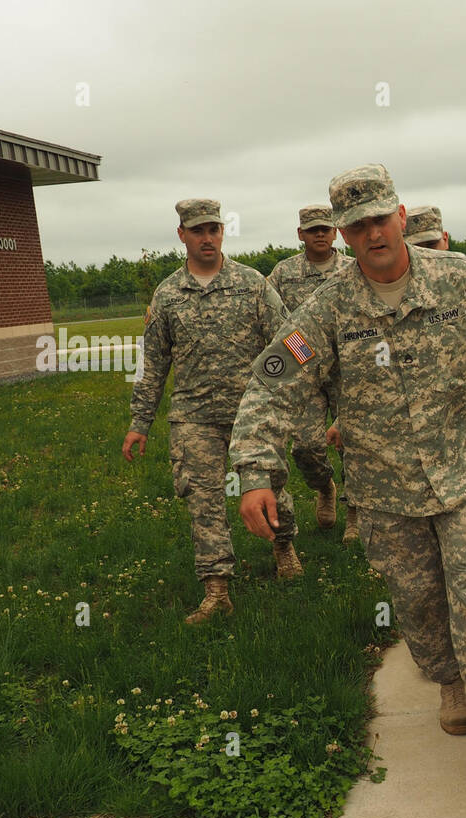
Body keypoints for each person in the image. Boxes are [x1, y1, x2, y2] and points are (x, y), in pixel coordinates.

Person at [230, 165, 466, 776]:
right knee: (420, 605)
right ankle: (448, 680)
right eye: (358, 225)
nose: (373, 233)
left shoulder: (462, 281)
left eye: (380, 218)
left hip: (465, 469)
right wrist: (255, 472)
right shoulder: (325, 311)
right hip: (384, 486)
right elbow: (271, 386)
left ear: (402, 216)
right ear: (343, 235)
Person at [122, 198, 299, 625]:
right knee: (202, 500)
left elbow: (292, 342)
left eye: (214, 229)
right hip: (194, 416)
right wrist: (139, 422)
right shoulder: (167, 295)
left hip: (251, 415)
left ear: (223, 232)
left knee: (272, 485)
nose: (207, 238)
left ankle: (283, 546)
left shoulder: (253, 284)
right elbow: (154, 364)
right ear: (181, 234)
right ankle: (216, 588)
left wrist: (280, 394)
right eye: (198, 230)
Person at [267, 204, 355, 532]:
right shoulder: (283, 274)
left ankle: (356, 511)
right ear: (300, 234)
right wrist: (305, 353)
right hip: (307, 372)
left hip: (349, 371)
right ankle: (324, 487)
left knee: (355, 442)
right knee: (305, 446)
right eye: (313, 229)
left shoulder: (353, 269)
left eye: (326, 228)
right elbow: (274, 321)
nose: (320, 234)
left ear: (335, 232)